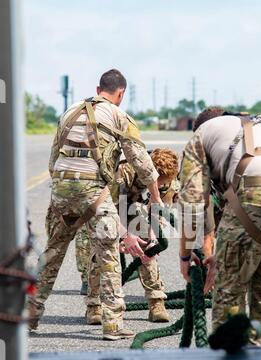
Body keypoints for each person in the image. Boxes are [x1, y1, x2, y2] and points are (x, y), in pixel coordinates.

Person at [27, 69, 162, 341]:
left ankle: (29, 315)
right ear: (120, 93)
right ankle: (113, 324)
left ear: (98, 88)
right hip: (94, 192)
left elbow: (54, 160)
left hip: (62, 190)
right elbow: (140, 161)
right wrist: (157, 197)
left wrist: (64, 191)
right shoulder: (119, 115)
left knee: (52, 252)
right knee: (109, 253)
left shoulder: (69, 112)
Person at [178, 106, 261, 345]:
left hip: (254, 195)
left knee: (229, 295)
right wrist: (221, 253)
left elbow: (192, 202)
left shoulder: (202, 134)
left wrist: (185, 256)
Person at [84, 148, 179, 325]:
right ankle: (94, 306)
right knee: (102, 252)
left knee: (147, 248)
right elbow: (104, 210)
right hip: (109, 208)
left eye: (163, 184)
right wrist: (122, 237)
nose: (159, 187)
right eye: (156, 182)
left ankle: (156, 302)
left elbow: (157, 211)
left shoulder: (169, 182)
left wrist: (153, 236)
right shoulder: (122, 174)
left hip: (136, 210)